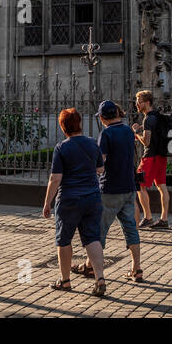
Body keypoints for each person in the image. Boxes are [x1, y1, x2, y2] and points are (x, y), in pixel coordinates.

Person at [74, 100, 144, 283]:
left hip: (110, 189)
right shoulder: (128, 131)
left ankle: (90, 266)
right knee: (130, 229)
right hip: (129, 187)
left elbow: (100, 164)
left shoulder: (106, 134)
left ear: (103, 118)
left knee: (98, 230)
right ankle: (136, 268)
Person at [42, 107, 107, 296]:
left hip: (69, 199)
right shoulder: (92, 144)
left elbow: (55, 178)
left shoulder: (62, 147)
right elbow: (100, 170)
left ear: (63, 127)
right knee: (92, 238)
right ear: (79, 123)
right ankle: (100, 279)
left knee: (64, 240)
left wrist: (47, 203)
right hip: (92, 198)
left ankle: (65, 281)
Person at [133, 90, 172, 229]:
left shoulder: (148, 119)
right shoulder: (157, 116)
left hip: (150, 157)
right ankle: (164, 219)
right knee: (162, 186)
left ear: (147, 102)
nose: (137, 104)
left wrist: (137, 133)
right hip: (161, 156)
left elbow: (147, 142)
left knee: (139, 184)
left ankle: (148, 217)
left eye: (139, 101)